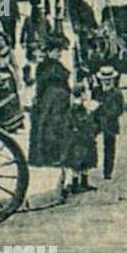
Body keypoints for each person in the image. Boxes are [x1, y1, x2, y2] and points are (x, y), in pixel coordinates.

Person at [29, 35, 74, 197]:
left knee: (59, 128)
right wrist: (38, 99)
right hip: (50, 101)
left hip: (59, 101)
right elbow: (41, 85)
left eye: (59, 51)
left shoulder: (56, 64)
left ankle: (56, 155)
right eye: (56, 51)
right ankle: (46, 156)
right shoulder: (43, 66)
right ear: (49, 51)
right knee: (49, 127)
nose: (59, 54)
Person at [63, 82, 99, 194]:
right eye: (85, 93)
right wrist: (90, 113)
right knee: (78, 162)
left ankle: (84, 182)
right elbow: (80, 122)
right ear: (82, 94)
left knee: (86, 160)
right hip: (79, 139)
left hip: (85, 138)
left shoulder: (80, 106)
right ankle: (75, 185)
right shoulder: (77, 107)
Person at [93, 65, 124, 180]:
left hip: (110, 122)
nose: (106, 82)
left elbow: (119, 110)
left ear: (113, 80)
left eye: (109, 80)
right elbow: (93, 104)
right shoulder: (96, 91)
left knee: (110, 147)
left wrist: (105, 113)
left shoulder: (117, 93)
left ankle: (108, 171)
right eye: (104, 80)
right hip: (97, 121)